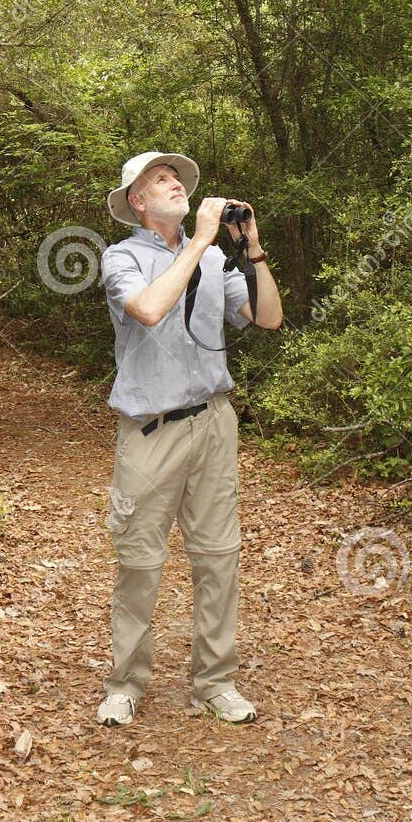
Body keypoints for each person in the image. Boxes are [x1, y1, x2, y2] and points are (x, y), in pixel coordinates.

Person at [96, 150, 283, 726]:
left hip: (213, 423)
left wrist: (249, 247)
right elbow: (150, 309)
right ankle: (126, 684)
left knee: (219, 557)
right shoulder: (120, 257)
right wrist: (200, 242)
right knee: (139, 561)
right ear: (138, 201)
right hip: (151, 431)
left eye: (178, 178)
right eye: (161, 180)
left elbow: (268, 318)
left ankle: (214, 681)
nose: (175, 184)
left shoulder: (213, 262)